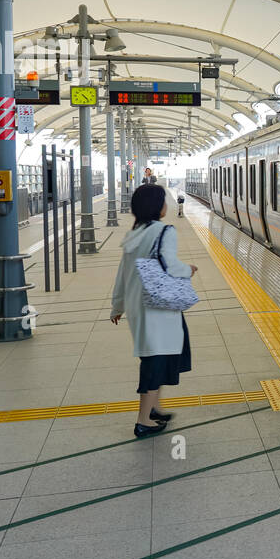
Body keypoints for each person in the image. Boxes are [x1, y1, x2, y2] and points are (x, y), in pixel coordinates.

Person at [110, 184, 198, 437]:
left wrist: (117, 305)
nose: (166, 205)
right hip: (159, 308)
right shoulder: (164, 231)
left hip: (140, 307)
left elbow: (122, 273)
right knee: (155, 362)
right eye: (163, 201)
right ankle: (142, 421)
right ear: (157, 206)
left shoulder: (134, 233)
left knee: (156, 358)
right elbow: (171, 267)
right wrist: (188, 269)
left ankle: (154, 409)